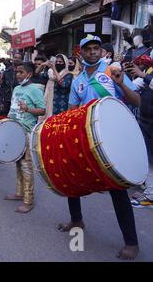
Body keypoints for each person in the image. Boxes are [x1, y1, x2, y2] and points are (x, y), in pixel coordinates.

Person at [59, 35, 141, 260]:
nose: (93, 52)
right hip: (84, 137)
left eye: (96, 48)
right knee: (72, 178)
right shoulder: (78, 80)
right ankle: (77, 220)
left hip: (112, 137)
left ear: (101, 52)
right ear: (81, 53)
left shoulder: (112, 72)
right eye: (88, 49)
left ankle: (131, 242)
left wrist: (122, 82)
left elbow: (137, 101)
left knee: (117, 188)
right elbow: (71, 112)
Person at [4, 62, 45, 213]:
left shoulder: (36, 89)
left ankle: (29, 200)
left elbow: (42, 110)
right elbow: (12, 108)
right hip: (15, 130)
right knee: (18, 163)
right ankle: (19, 193)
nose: (17, 75)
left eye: (20, 72)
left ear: (29, 74)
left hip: (27, 131)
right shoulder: (16, 88)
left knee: (26, 166)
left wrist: (28, 109)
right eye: (16, 72)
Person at [125, 55, 153, 208]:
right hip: (147, 120)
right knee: (148, 158)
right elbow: (134, 86)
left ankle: (150, 195)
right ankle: (150, 192)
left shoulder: (148, 74)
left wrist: (144, 75)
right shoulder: (150, 71)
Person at [40, 54, 80, 120]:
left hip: (62, 104)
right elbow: (38, 74)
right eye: (56, 62)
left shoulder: (69, 74)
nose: (58, 63)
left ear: (65, 63)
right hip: (50, 102)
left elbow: (63, 84)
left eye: (60, 62)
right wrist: (42, 65)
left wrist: (54, 68)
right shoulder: (51, 74)